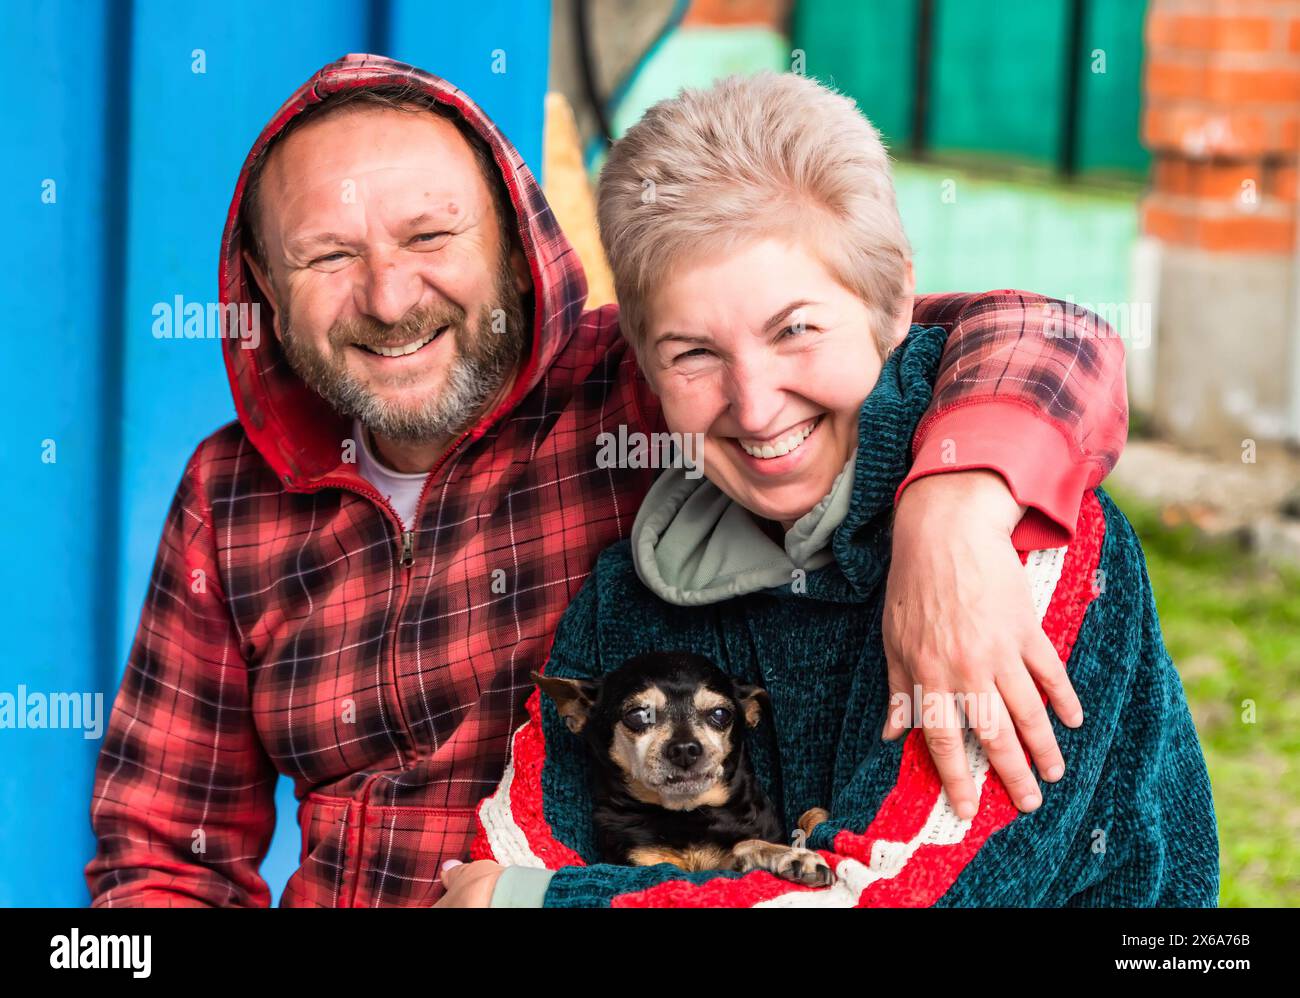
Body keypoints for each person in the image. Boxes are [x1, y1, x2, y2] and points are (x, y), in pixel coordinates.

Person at [86, 55, 1128, 907]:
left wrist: (956, 502)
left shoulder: (644, 384)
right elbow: (162, 852)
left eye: (430, 235)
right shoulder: (231, 494)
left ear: (513, 233)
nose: (389, 296)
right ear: (265, 285)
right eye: (325, 257)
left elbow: (1020, 334)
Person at [448, 72, 1217, 908]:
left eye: (797, 330)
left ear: (894, 304)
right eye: (693, 353)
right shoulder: (636, 587)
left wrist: (539, 899)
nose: (755, 403)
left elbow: (901, 896)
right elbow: (521, 844)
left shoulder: (1018, 555)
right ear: (645, 365)